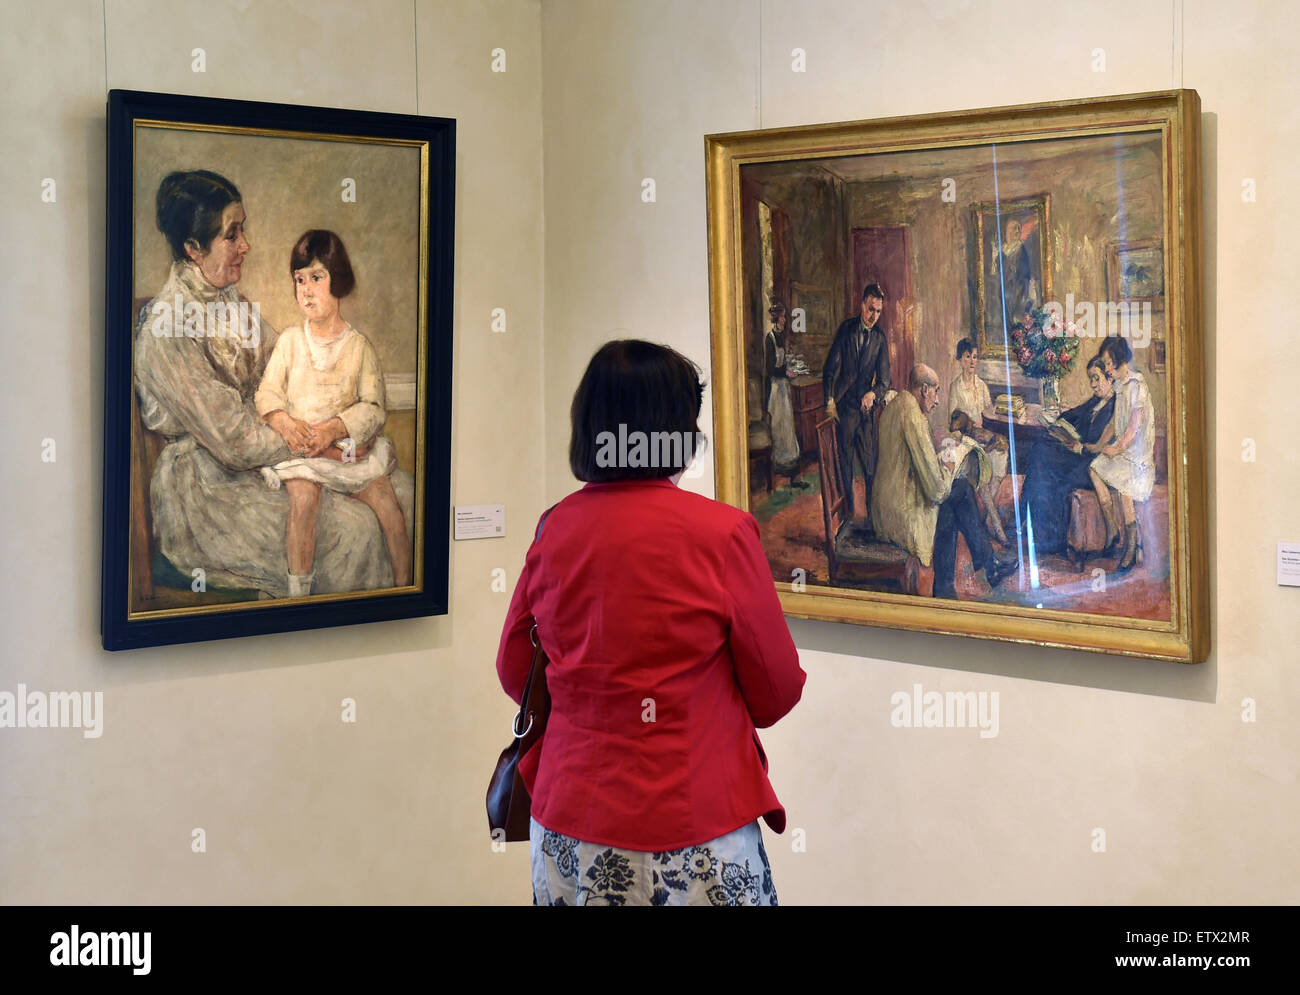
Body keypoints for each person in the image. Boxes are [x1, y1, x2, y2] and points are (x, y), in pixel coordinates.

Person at [496, 340, 806, 906]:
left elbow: (516, 670)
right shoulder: (723, 534)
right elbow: (776, 692)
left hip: (569, 830)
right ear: (678, 431)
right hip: (696, 828)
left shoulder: (554, 529)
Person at [134, 169, 412, 598]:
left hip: (277, 457)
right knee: (355, 530)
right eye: (232, 234)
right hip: (212, 489)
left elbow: (280, 372)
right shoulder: (165, 329)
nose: (245, 244)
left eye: (241, 230)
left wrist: (331, 430)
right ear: (193, 248)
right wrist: (319, 443)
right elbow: (234, 440)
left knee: (405, 496)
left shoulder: (233, 305)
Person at [254, 230, 411, 596]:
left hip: (346, 452)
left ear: (337, 280)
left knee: (388, 505)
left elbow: (373, 408)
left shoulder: (358, 347)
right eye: (299, 280)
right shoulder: (290, 342)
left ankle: (404, 589)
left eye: (316, 278)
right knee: (303, 500)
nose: (306, 290)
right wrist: (284, 421)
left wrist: (336, 427)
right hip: (305, 452)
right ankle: (299, 592)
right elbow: (267, 394)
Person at [872, 364, 1018, 600]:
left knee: (956, 499)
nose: (938, 400)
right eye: (936, 391)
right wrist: (948, 467)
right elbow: (937, 490)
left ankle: (954, 585)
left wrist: (940, 464)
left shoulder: (898, 404)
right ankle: (978, 571)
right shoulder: (913, 417)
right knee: (957, 494)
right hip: (901, 514)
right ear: (924, 389)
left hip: (886, 506)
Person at [1017, 353, 1117, 557]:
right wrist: (1058, 425)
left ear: (1110, 378)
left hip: (1093, 466)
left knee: (1042, 459)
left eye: (1097, 378)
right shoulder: (1095, 402)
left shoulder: (1115, 406)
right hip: (1080, 457)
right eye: (1091, 378)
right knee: (1040, 449)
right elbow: (1073, 414)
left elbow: (1099, 444)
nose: (1093, 384)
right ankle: (1039, 528)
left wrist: (1078, 446)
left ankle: (1036, 527)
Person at [823, 283, 893, 520]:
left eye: (878, 312)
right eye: (871, 309)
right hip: (845, 406)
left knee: (870, 463)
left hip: (866, 409)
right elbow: (830, 368)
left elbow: (885, 381)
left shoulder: (880, 339)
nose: (874, 316)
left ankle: (873, 518)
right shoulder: (846, 329)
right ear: (862, 304)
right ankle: (848, 514)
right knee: (845, 463)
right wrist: (830, 400)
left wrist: (873, 394)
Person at [1089, 335, 1155, 571]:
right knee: (1095, 468)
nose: (1106, 368)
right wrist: (1098, 447)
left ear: (1118, 361)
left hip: (1137, 455)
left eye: (1108, 363)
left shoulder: (1137, 386)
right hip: (1122, 450)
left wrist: (1117, 448)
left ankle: (1131, 544)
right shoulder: (1118, 386)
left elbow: (1134, 427)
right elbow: (1115, 424)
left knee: (1125, 490)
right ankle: (1112, 528)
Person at [763, 300, 801, 484]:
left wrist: (790, 368)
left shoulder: (781, 337)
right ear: (777, 318)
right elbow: (770, 369)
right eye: (783, 317)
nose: (785, 320)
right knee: (779, 427)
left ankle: (791, 468)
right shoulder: (769, 338)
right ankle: (780, 466)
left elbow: (783, 362)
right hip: (776, 389)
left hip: (784, 387)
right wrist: (785, 371)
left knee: (788, 427)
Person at [947, 338, 993, 429]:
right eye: (968, 357)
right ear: (960, 359)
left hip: (983, 431)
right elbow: (951, 420)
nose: (972, 361)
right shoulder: (955, 386)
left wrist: (983, 422)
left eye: (974, 357)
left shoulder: (982, 385)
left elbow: (990, 413)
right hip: (964, 434)